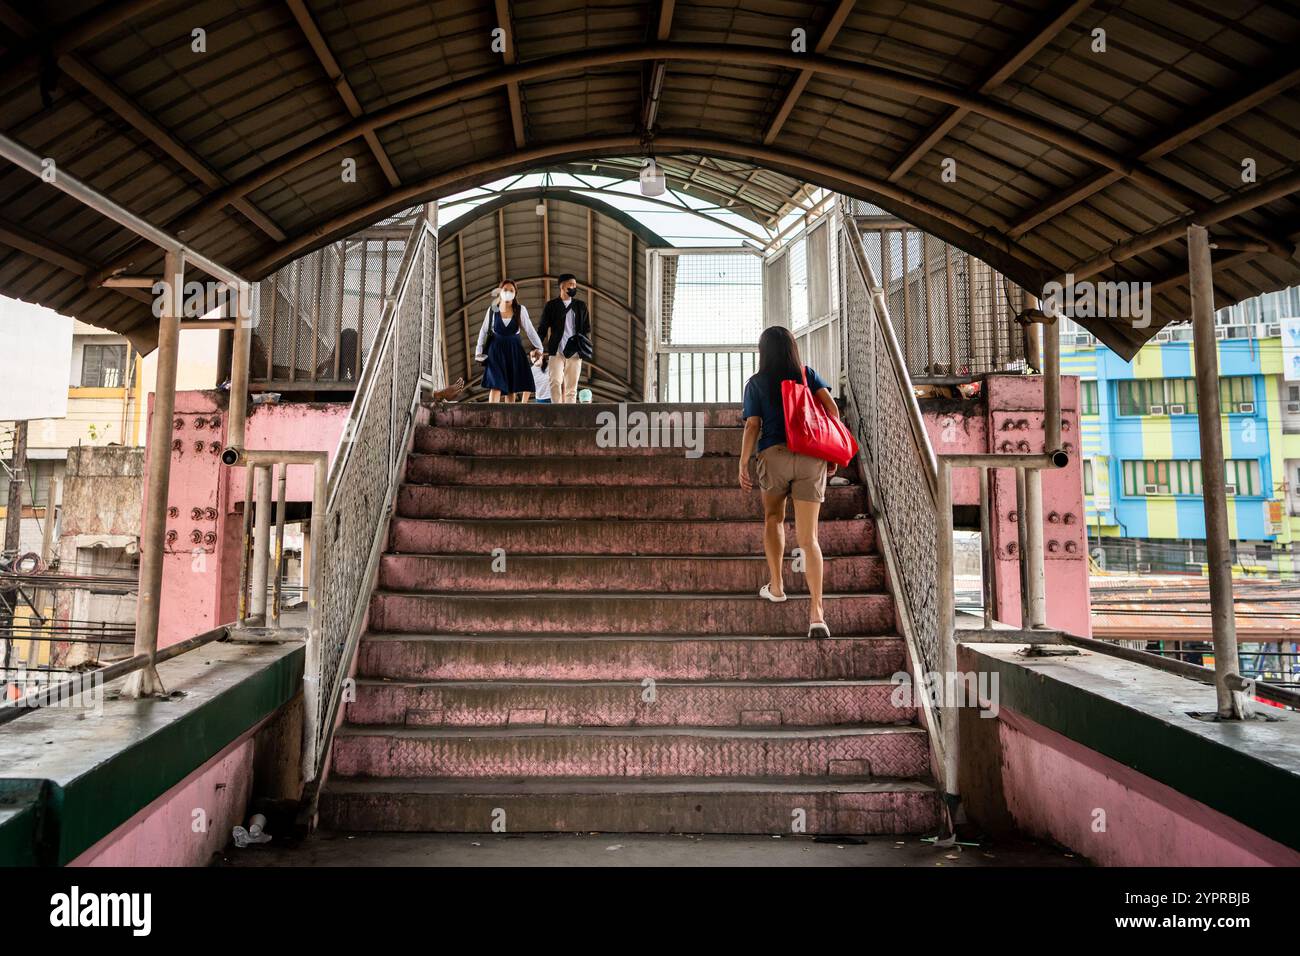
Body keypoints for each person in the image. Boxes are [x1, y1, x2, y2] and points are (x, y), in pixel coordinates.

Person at [738, 325, 840, 639]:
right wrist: (830, 450)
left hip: (774, 455)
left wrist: (744, 462)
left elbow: (753, 425)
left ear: (762, 352)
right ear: (793, 348)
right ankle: (817, 614)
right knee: (809, 539)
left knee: (774, 518)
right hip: (810, 457)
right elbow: (832, 410)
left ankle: (778, 586)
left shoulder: (756, 383)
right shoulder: (808, 375)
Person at [475, 279, 543, 402]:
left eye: (511, 290)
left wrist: (540, 347)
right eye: (505, 290)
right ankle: (492, 417)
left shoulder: (520, 310)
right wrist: (478, 352)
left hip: (513, 351)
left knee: (511, 389)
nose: (508, 292)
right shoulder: (492, 310)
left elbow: (530, 330)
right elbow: (483, 330)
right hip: (495, 351)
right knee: (495, 385)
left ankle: (508, 419)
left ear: (515, 293)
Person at [536, 273, 590, 404]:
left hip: (575, 351)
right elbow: (543, 328)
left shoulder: (581, 306)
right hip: (557, 350)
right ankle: (556, 409)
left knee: (572, 387)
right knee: (555, 381)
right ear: (562, 286)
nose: (573, 287)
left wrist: (583, 346)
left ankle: (570, 414)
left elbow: (586, 328)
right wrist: (537, 346)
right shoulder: (552, 306)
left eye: (575, 285)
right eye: (570, 285)